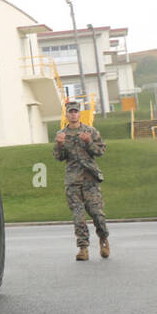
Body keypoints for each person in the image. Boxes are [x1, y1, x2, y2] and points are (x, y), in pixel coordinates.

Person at [54, 101, 110, 260]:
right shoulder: (61, 134)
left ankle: (103, 239)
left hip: (90, 180)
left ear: (79, 114)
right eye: (70, 112)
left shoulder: (90, 131)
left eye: (75, 112)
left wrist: (89, 142)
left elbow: (100, 151)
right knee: (78, 217)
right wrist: (59, 145)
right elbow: (59, 157)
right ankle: (83, 248)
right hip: (73, 182)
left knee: (97, 214)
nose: (73, 114)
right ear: (66, 115)